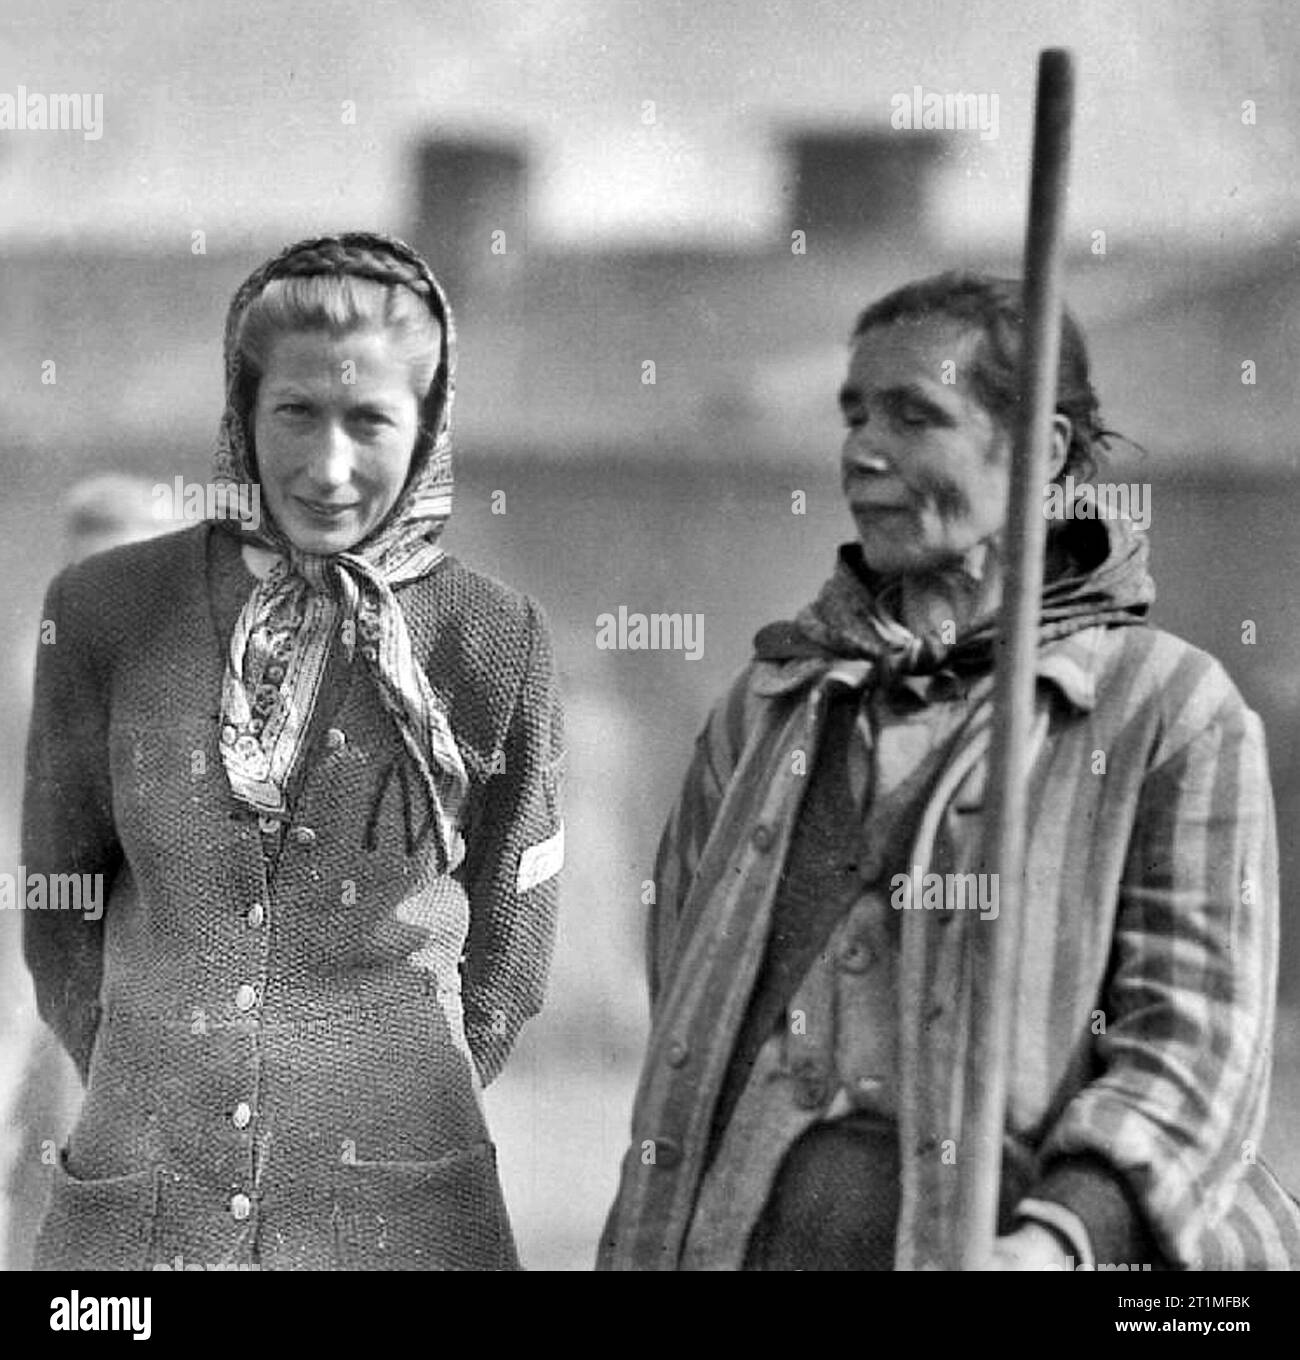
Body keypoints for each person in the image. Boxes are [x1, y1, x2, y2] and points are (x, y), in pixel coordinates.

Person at [598, 271, 1300, 1271]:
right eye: (853, 414)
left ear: (1041, 453)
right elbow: (686, 1004)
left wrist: (1054, 1243)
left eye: (914, 415)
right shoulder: (767, 709)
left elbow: (1192, 1061)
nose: (860, 451)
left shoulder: (1165, 714)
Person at [22, 232, 564, 1271]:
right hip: (138, 1214)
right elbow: (58, 910)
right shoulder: (106, 612)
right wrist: (163, 1090)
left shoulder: (494, 638)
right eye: (296, 414)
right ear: (242, 411)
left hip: (406, 1220)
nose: (327, 467)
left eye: (370, 420)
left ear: (430, 424)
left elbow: (510, 958)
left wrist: (372, 1129)